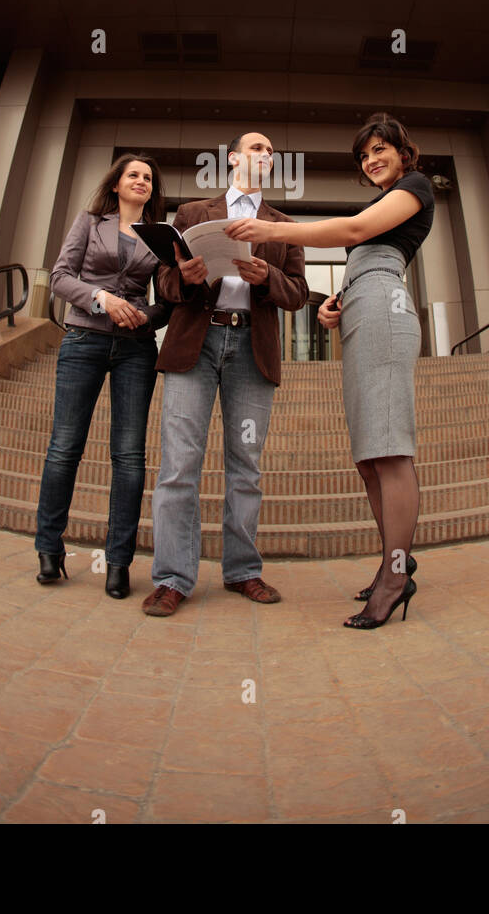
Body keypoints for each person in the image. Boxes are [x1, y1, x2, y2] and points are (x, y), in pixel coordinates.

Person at [226, 112, 434, 630]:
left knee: (389, 448)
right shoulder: (386, 200)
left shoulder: (415, 187)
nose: (373, 159)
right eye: (365, 155)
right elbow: (369, 254)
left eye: (382, 148)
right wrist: (335, 303)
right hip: (363, 314)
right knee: (369, 457)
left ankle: (394, 577)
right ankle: (394, 560)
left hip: (385, 314)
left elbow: (359, 231)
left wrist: (273, 228)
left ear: (404, 153)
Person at [141, 131, 309, 617]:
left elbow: (298, 293)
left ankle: (242, 571)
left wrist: (268, 279)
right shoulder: (194, 213)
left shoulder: (282, 225)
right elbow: (165, 283)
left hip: (251, 349)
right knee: (179, 464)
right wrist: (186, 279)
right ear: (233, 158)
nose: (266, 155)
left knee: (246, 466)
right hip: (197, 341)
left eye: (272, 151)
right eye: (256, 148)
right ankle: (173, 578)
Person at [34, 153, 171, 599]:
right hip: (83, 341)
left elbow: (167, 300)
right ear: (117, 183)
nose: (142, 181)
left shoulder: (159, 236)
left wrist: (143, 316)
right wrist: (101, 299)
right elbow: (60, 277)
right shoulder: (90, 222)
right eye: (134, 174)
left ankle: (118, 564)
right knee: (64, 447)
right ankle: (49, 550)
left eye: (148, 178)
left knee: (129, 456)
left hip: (135, 349)